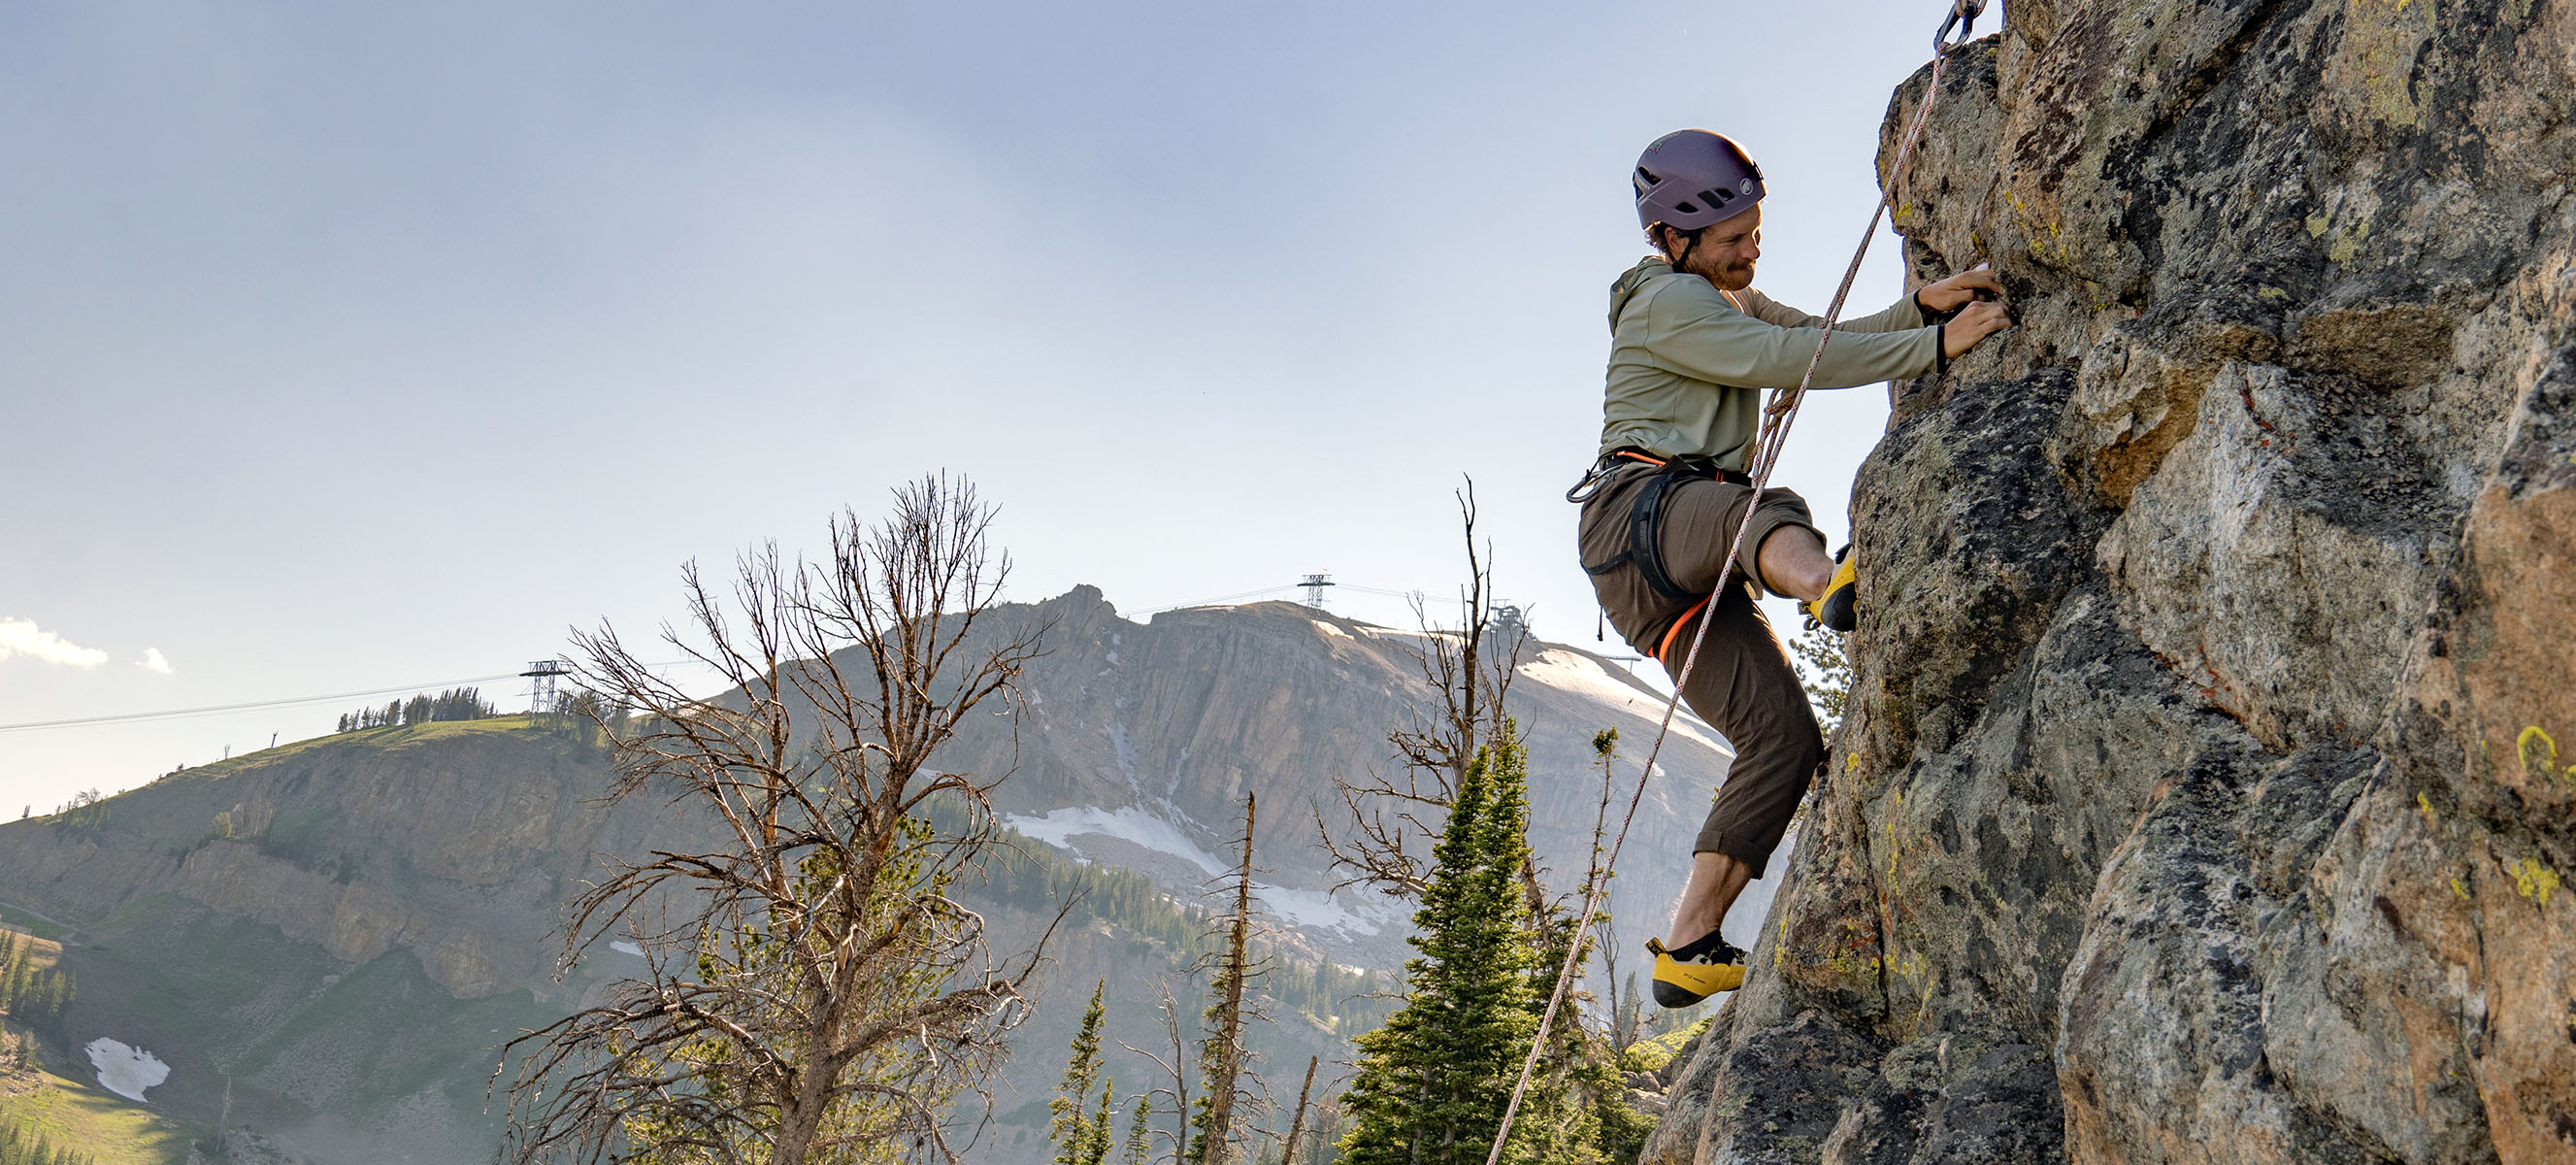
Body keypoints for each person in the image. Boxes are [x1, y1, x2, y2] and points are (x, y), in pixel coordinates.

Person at [1571, 129, 2010, 1007]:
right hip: (1644, 516)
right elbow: (1787, 366)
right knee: (1759, 510)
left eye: (1753, 232)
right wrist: (1938, 349)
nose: (1749, 248)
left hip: (1672, 564)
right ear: (1674, 241)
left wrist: (1922, 309)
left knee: (1784, 742)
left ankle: (1687, 946)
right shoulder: (1664, 303)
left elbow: (1815, 339)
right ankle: (1824, 584)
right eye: (1732, 239)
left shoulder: (1728, 303)